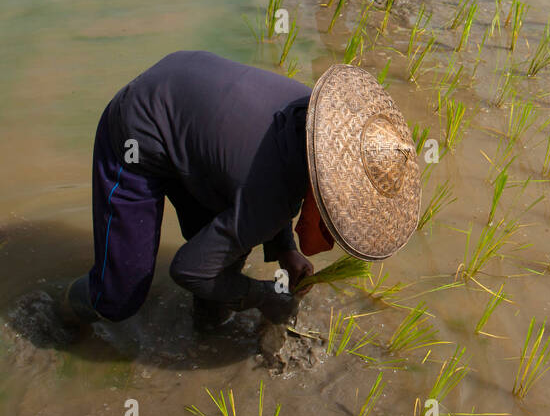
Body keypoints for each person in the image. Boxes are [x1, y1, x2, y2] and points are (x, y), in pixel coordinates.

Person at [59, 53, 419, 331]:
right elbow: (185, 270)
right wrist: (263, 296)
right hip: (137, 126)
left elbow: (273, 178)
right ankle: (57, 319)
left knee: (223, 269)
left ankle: (206, 327)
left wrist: (286, 252)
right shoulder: (270, 195)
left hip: (190, 101)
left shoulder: (314, 125)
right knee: (121, 297)